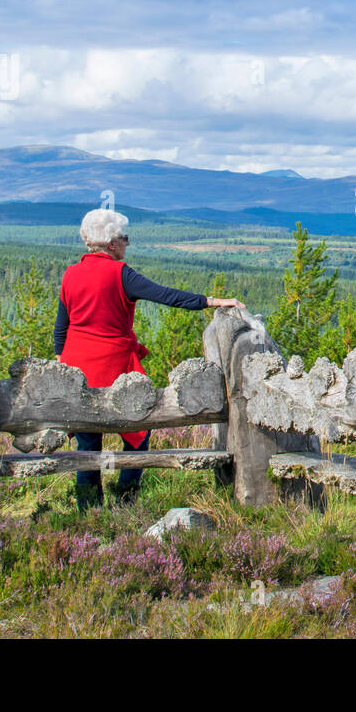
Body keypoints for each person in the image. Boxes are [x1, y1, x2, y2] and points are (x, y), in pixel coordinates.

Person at [56, 208, 244, 509]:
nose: (127, 244)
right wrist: (212, 301)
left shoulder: (70, 274)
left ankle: (88, 511)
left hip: (77, 370)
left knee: (88, 444)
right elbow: (167, 295)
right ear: (110, 242)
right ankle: (126, 499)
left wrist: (63, 367)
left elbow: (61, 330)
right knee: (137, 433)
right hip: (113, 368)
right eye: (124, 238)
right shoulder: (121, 274)